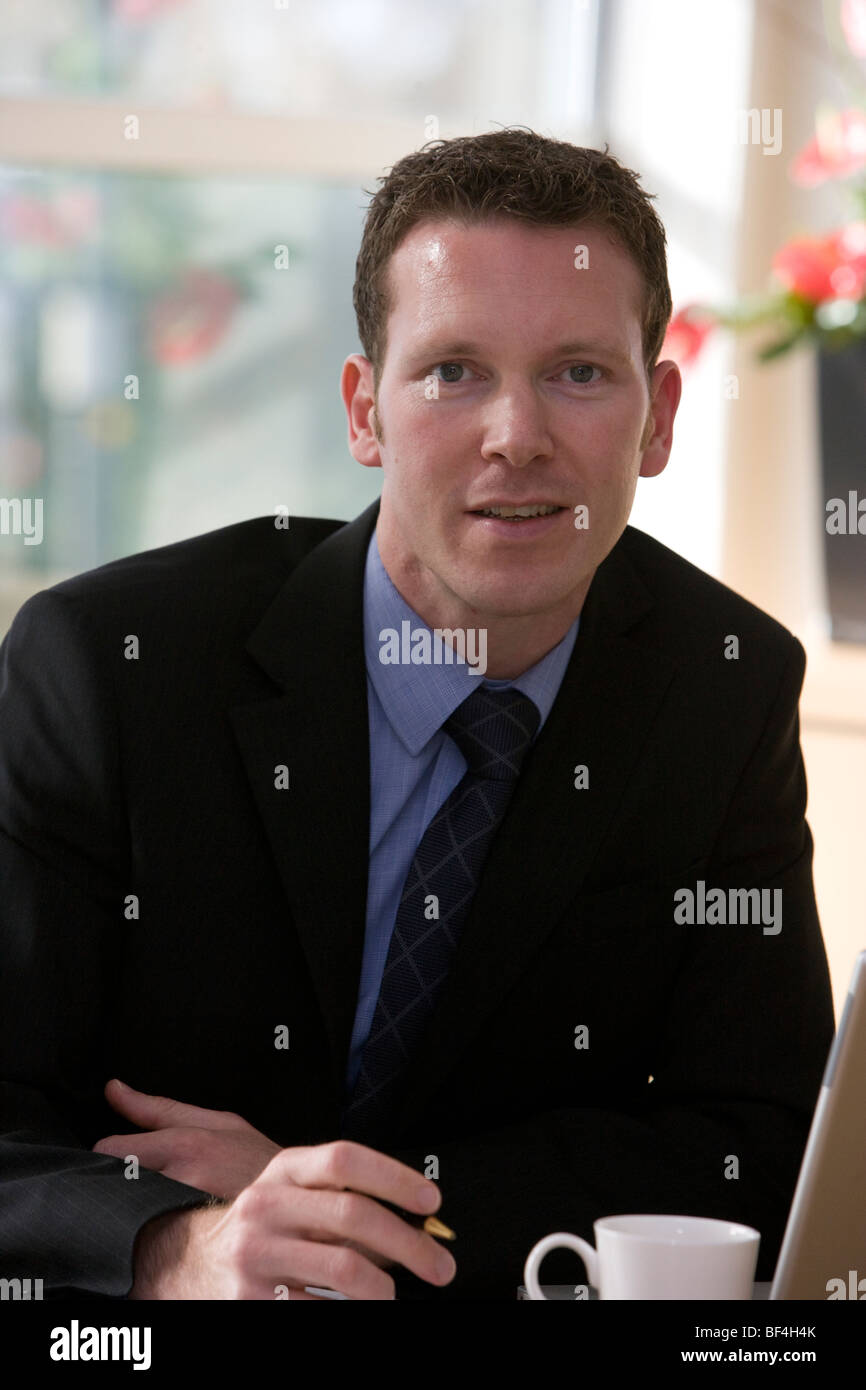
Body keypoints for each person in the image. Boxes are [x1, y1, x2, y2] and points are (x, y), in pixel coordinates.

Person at [0, 129, 835, 1302]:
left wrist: (347, 1199)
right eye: (452, 371)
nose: (516, 436)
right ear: (363, 410)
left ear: (655, 419)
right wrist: (180, 1247)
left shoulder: (724, 684)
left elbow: (759, 1145)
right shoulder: (109, 667)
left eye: (578, 374)